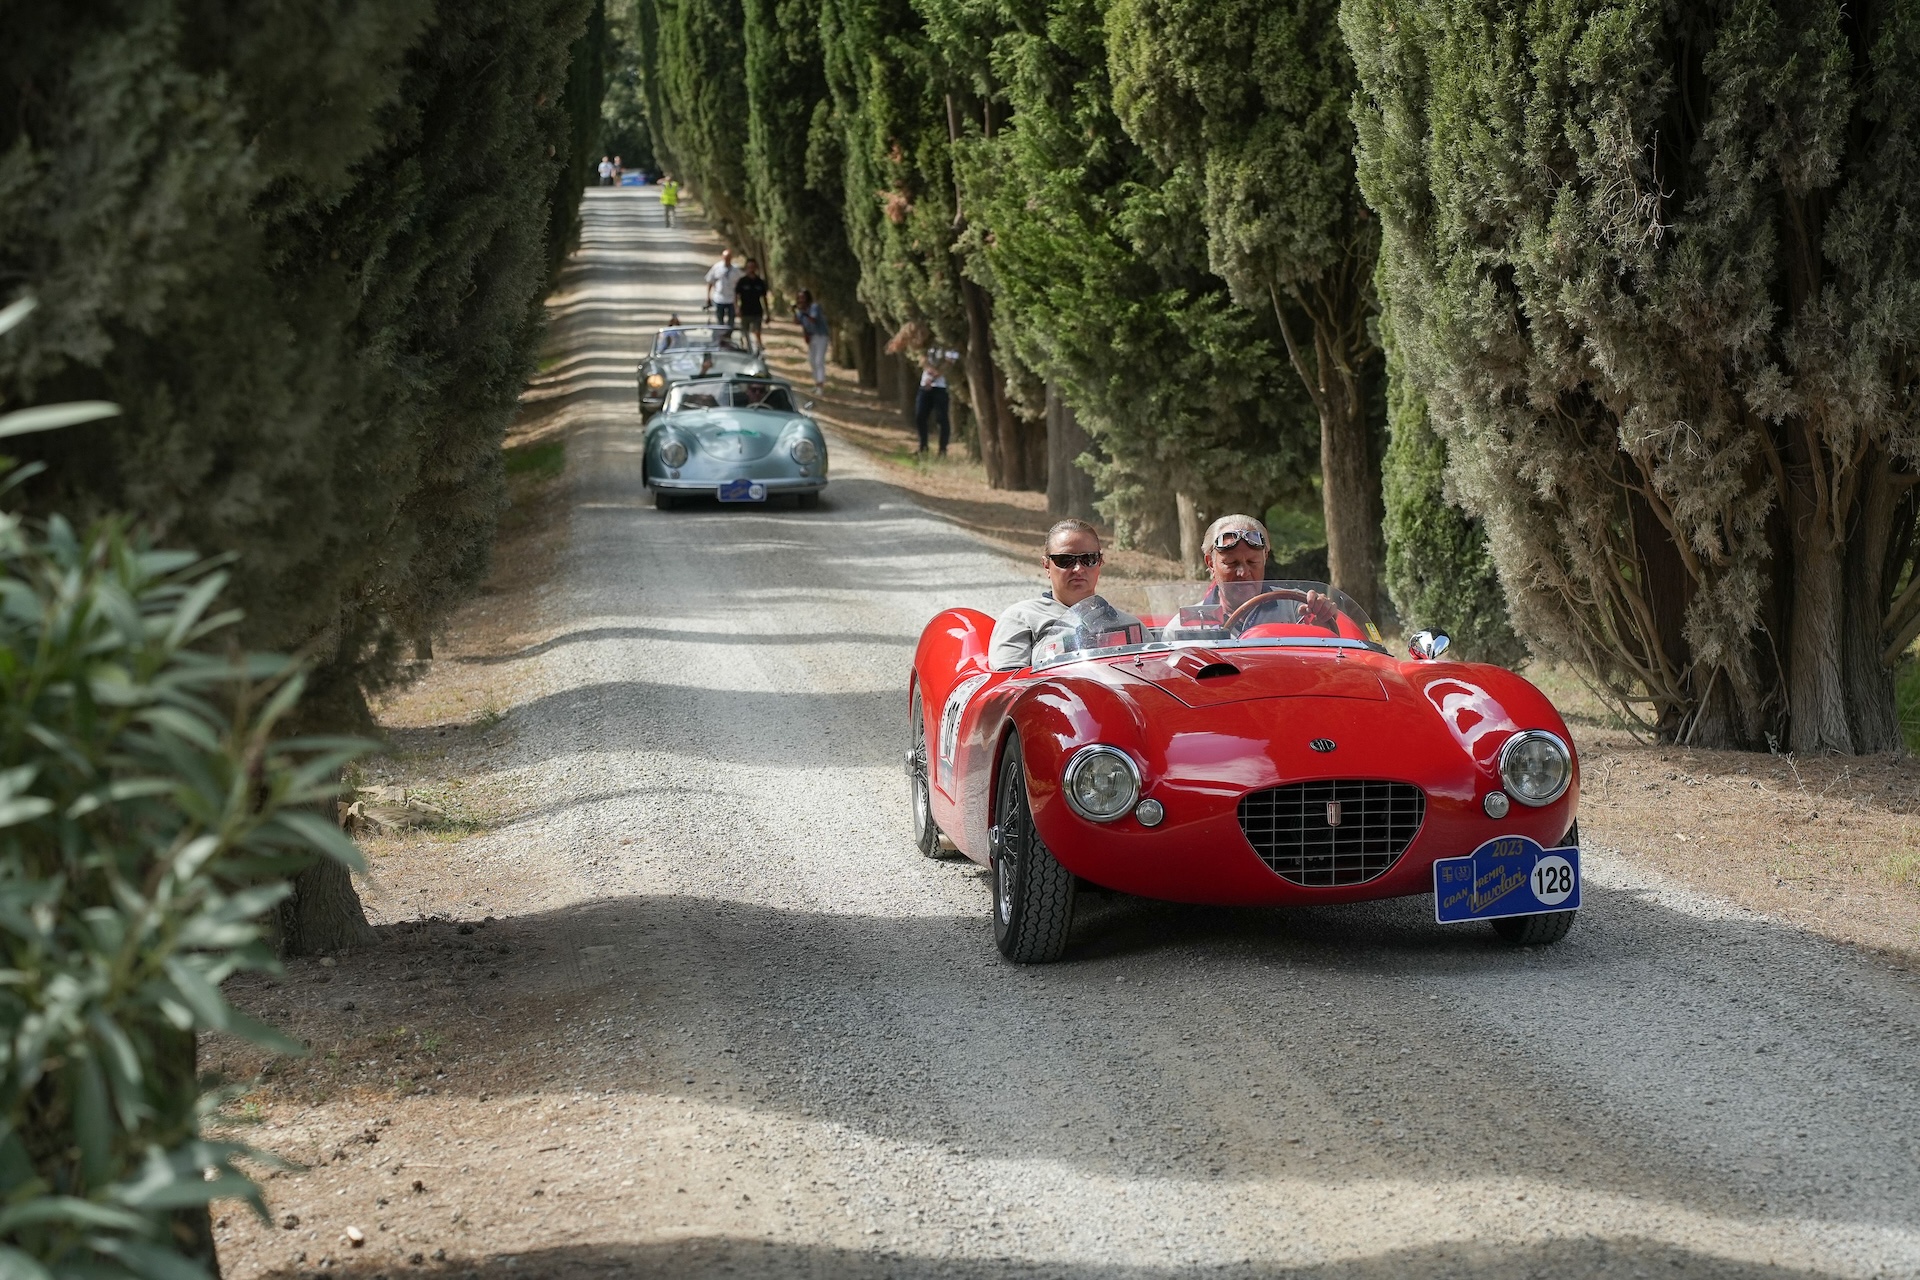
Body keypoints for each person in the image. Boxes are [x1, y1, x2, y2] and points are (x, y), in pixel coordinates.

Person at [989, 520, 1140, 672]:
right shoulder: (1021, 618)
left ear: (1100, 562)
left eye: (1089, 559)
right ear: (1046, 565)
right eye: (1065, 560)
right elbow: (1010, 686)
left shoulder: (1130, 624)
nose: (1078, 569)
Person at [1191, 514, 1337, 635]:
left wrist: (1322, 627)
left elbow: (1323, 662)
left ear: (1265, 558)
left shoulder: (1296, 607)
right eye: (1231, 563)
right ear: (1210, 563)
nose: (1243, 573)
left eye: (1253, 562)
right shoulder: (1189, 624)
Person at [915, 347, 959, 455]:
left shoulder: (947, 344)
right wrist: (927, 369)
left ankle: (942, 450)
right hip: (925, 385)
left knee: (942, 418)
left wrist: (935, 376)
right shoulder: (928, 343)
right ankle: (923, 447)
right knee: (920, 416)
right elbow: (921, 355)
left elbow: (950, 363)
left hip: (941, 387)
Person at [794, 290, 830, 392]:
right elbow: (798, 322)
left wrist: (803, 312)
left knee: (819, 360)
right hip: (811, 336)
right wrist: (795, 312)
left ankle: (820, 386)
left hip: (821, 336)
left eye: (802, 298)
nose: (801, 300)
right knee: (812, 360)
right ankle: (816, 382)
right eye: (799, 298)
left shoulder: (814, 307)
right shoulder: (801, 311)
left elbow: (812, 319)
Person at [735, 259, 771, 352]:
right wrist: (737, 308)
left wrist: (767, 313)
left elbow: (764, 297)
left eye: (753, 267)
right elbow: (736, 295)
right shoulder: (742, 281)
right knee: (745, 331)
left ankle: (758, 346)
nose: (751, 269)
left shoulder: (760, 282)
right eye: (749, 267)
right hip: (745, 311)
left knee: (757, 331)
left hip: (757, 311)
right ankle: (746, 347)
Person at [706, 249, 744, 330]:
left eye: (729, 258)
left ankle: (728, 336)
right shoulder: (716, 267)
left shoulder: (736, 270)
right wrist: (708, 296)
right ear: (722, 257)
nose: (727, 259)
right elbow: (710, 281)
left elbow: (741, 282)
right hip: (719, 298)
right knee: (720, 320)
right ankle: (721, 336)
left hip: (731, 299)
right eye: (725, 257)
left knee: (731, 321)